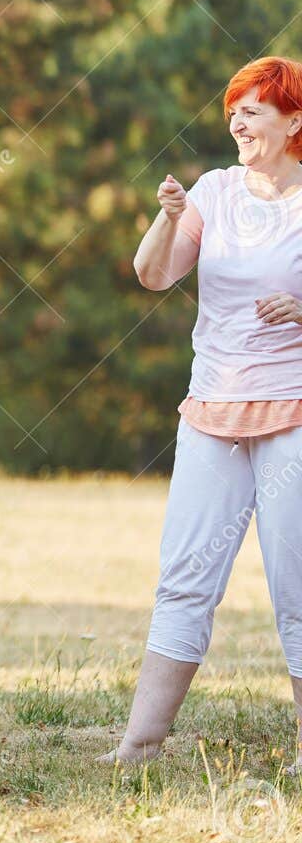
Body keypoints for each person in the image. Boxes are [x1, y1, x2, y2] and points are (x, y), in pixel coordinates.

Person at [103, 55, 302, 768]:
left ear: (294, 120)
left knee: (297, 583)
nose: (238, 120)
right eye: (233, 110)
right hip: (211, 411)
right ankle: (140, 742)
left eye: (254, 108)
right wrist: (170, 217)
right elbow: (154, 275)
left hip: (294, 413)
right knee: (185, 574)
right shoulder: (213, 193)